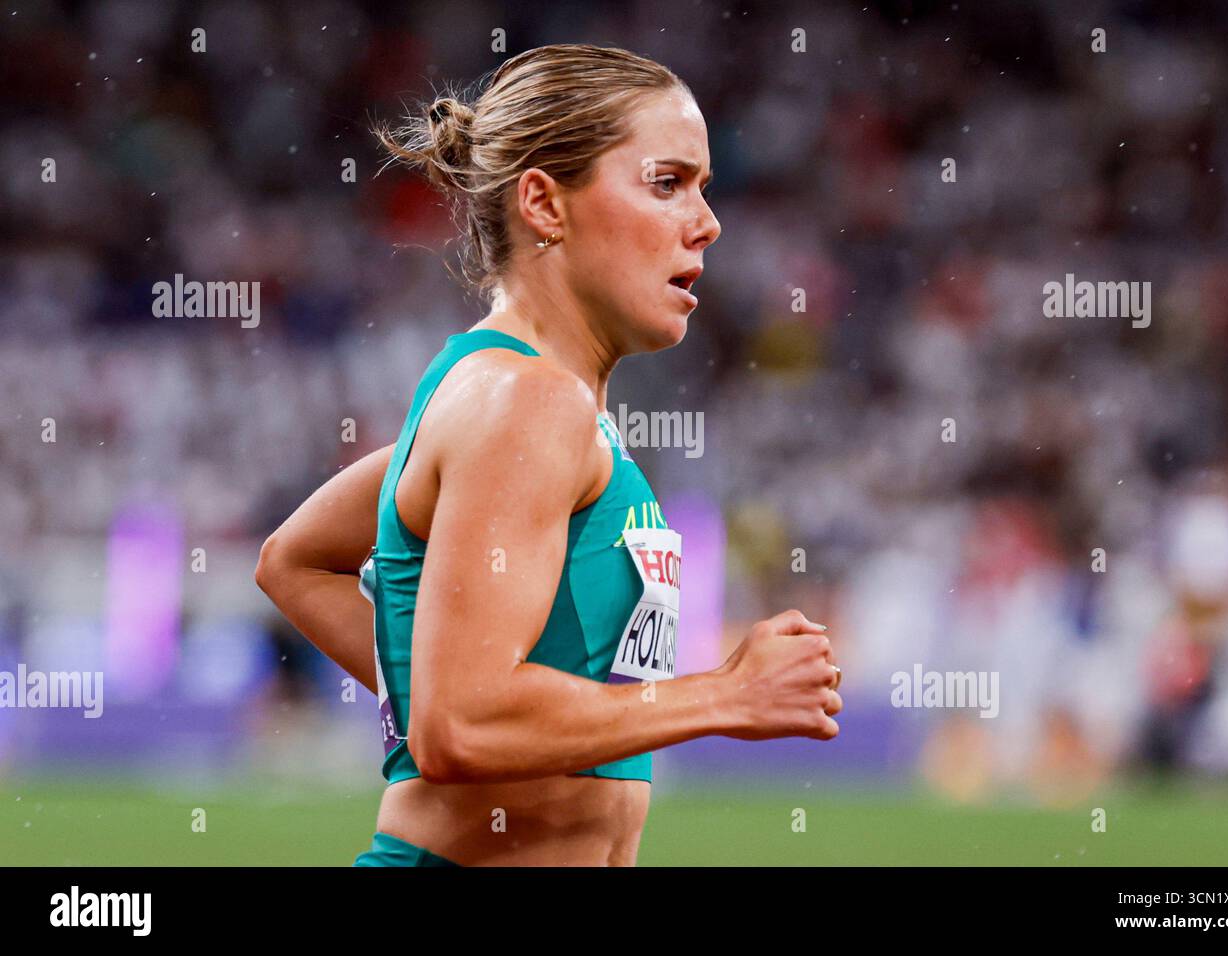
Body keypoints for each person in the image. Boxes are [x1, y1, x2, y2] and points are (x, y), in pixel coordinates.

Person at [254, 43, 841, 867]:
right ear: (544, 203)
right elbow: (461, 724)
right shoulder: (527, 404)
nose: (707, 223)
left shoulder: (500, 395)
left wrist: (439, 687)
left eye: (705, 189)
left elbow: (295, 561)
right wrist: (724, 694)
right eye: (667, 183)